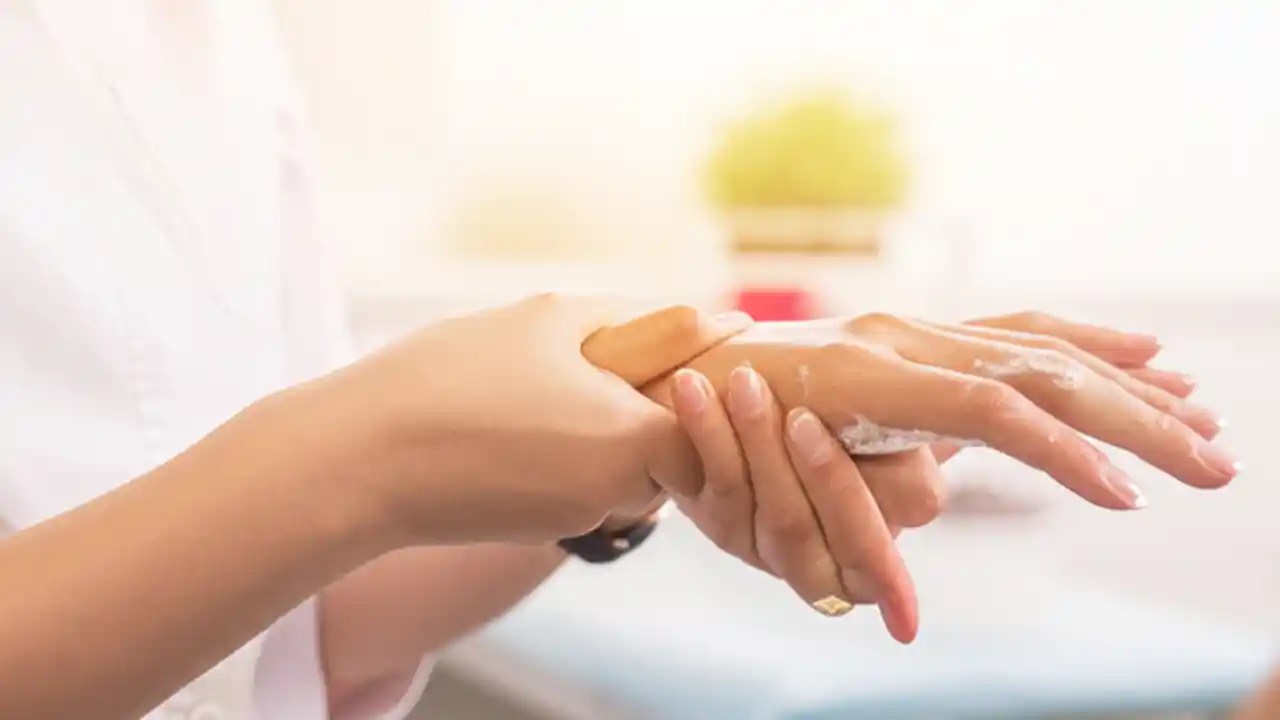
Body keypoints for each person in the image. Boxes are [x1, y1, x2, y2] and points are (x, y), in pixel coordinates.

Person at [0, 1, 1238, 718]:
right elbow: (315, 494)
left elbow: (296, 629)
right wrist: (361, 452)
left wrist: (662, 430)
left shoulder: (200, 38)